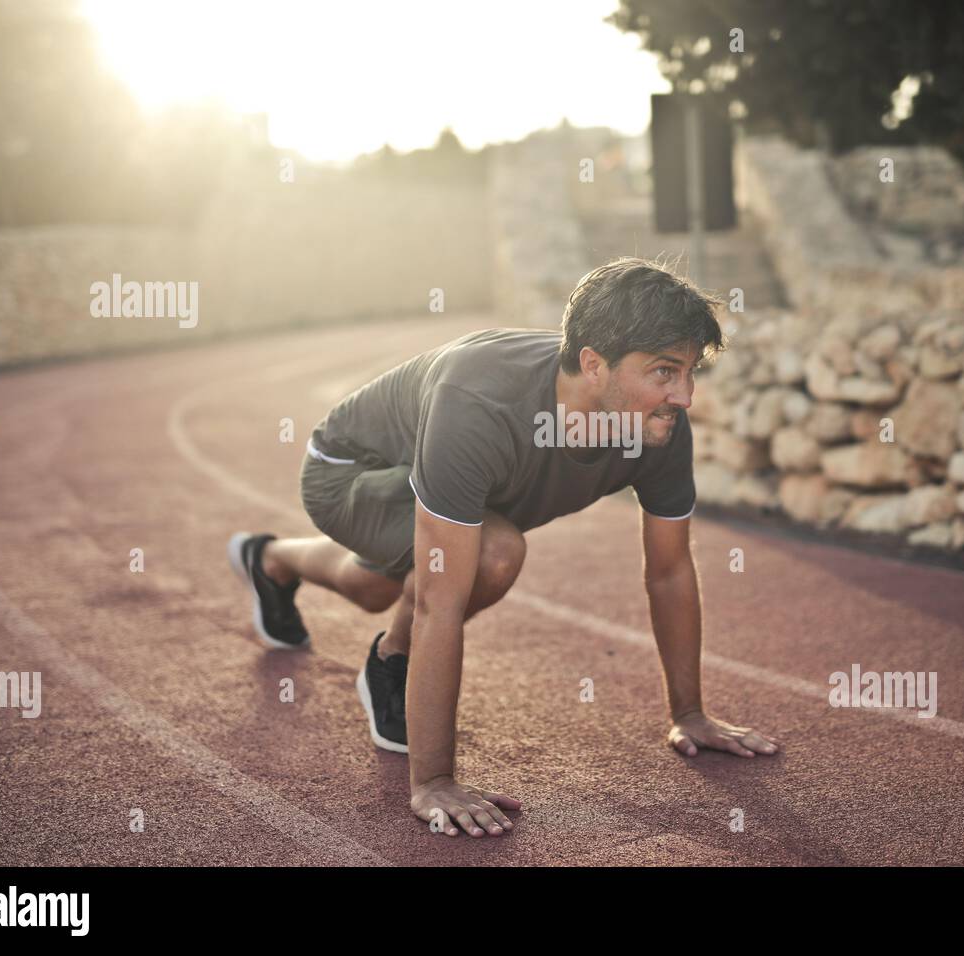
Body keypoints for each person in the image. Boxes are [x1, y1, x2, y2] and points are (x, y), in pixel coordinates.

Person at [227, 257, 780, 838]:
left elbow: (668, 571)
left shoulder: (657, 424)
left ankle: (273, 560)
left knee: (375, 587)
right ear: (594, 365)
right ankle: (390, 663)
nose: (685, 395)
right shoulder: (481, 402)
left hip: (475, 494)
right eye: (665, 371)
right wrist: (434, 779)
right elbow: (440, 602)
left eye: (691, 372)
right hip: (353, 473)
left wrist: (688, 714)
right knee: (487, 557)